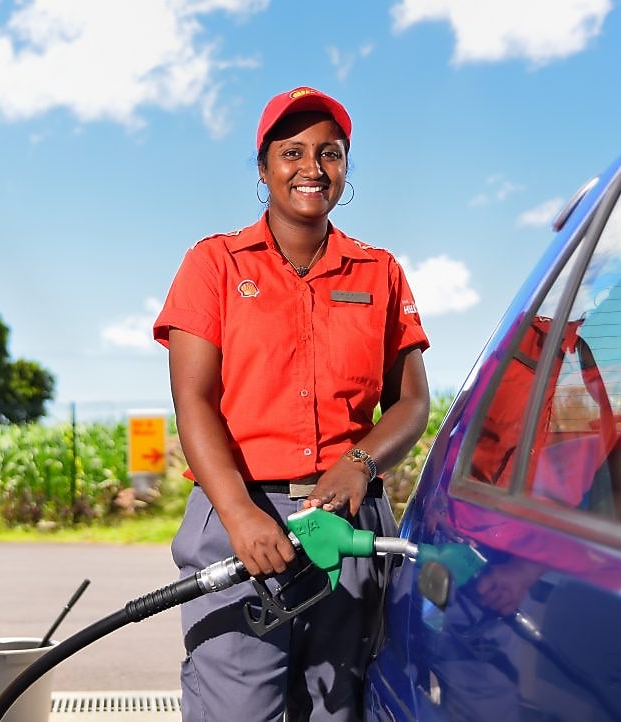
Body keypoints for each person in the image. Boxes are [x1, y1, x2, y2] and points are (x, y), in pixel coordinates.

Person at [152, 86, 431, 722]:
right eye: (292, 151)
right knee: (235, 708)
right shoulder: (214, 264)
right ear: (264, 167)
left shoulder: (379, 271)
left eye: (329, 153)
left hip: (347, 520)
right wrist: (241, 515)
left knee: (335, 710)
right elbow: (192, 400)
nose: (312, 168)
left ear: (345, 167)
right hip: (240, 514)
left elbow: (411, 401)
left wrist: (360, 462)